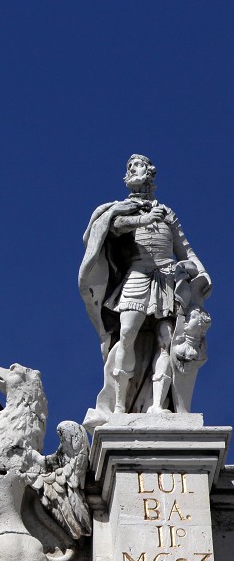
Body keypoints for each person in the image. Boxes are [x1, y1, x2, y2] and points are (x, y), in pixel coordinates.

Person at [79, 154, 210, 418]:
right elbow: (114, 227)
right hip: (137, 275)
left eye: (136, 165)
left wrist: (201, 272)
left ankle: (158, 406)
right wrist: (145, 219)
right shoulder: (120, 209)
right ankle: (118, 405)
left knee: (167, 341)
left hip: (167, 278)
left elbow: (185, 250)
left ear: (149, 172)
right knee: (126, 334)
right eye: (128, 168)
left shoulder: (168, 214)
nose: (131, 170)